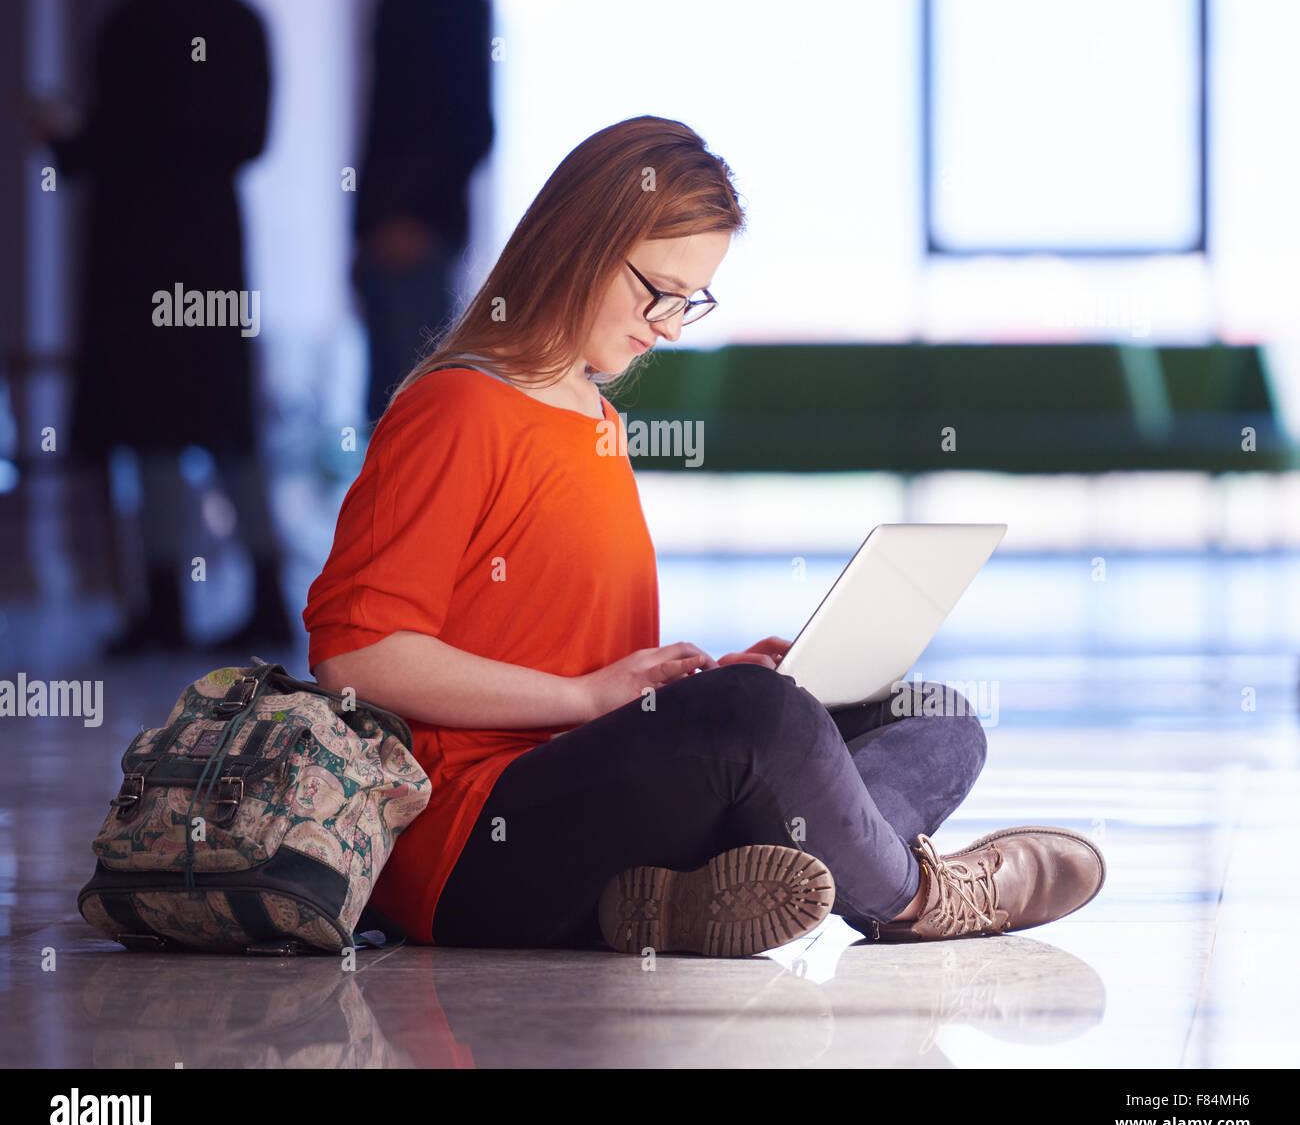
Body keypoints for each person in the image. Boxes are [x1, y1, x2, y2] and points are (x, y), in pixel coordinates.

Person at [303, 115, 1106, 955]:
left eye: (690, 302)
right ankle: (918, 899)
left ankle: (681, 898)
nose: (671, 326)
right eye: (659, 291)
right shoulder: (457, 409)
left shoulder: (597, 422)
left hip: (597, 808)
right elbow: (359, 660)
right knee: (759, 718)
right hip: (474, 845)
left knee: (930, 715)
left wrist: (713, 682)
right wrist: (599, 701)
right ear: (579, 241)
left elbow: (584, 655)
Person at [28, 0, 292, 655]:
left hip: (137, 250)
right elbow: (248, 139)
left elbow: (104, 141)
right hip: (212, 249)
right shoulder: (241, 21)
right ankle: (269, 592)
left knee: (153, 430)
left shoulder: (134, 23)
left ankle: (168, 601)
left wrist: (62, 135)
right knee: (226, 425)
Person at [344, 0, 495, 427]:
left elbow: (471, 126)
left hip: (414, 238)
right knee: (396, 415)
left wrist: (414, 217)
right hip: (392, 234)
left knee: (412, 420)